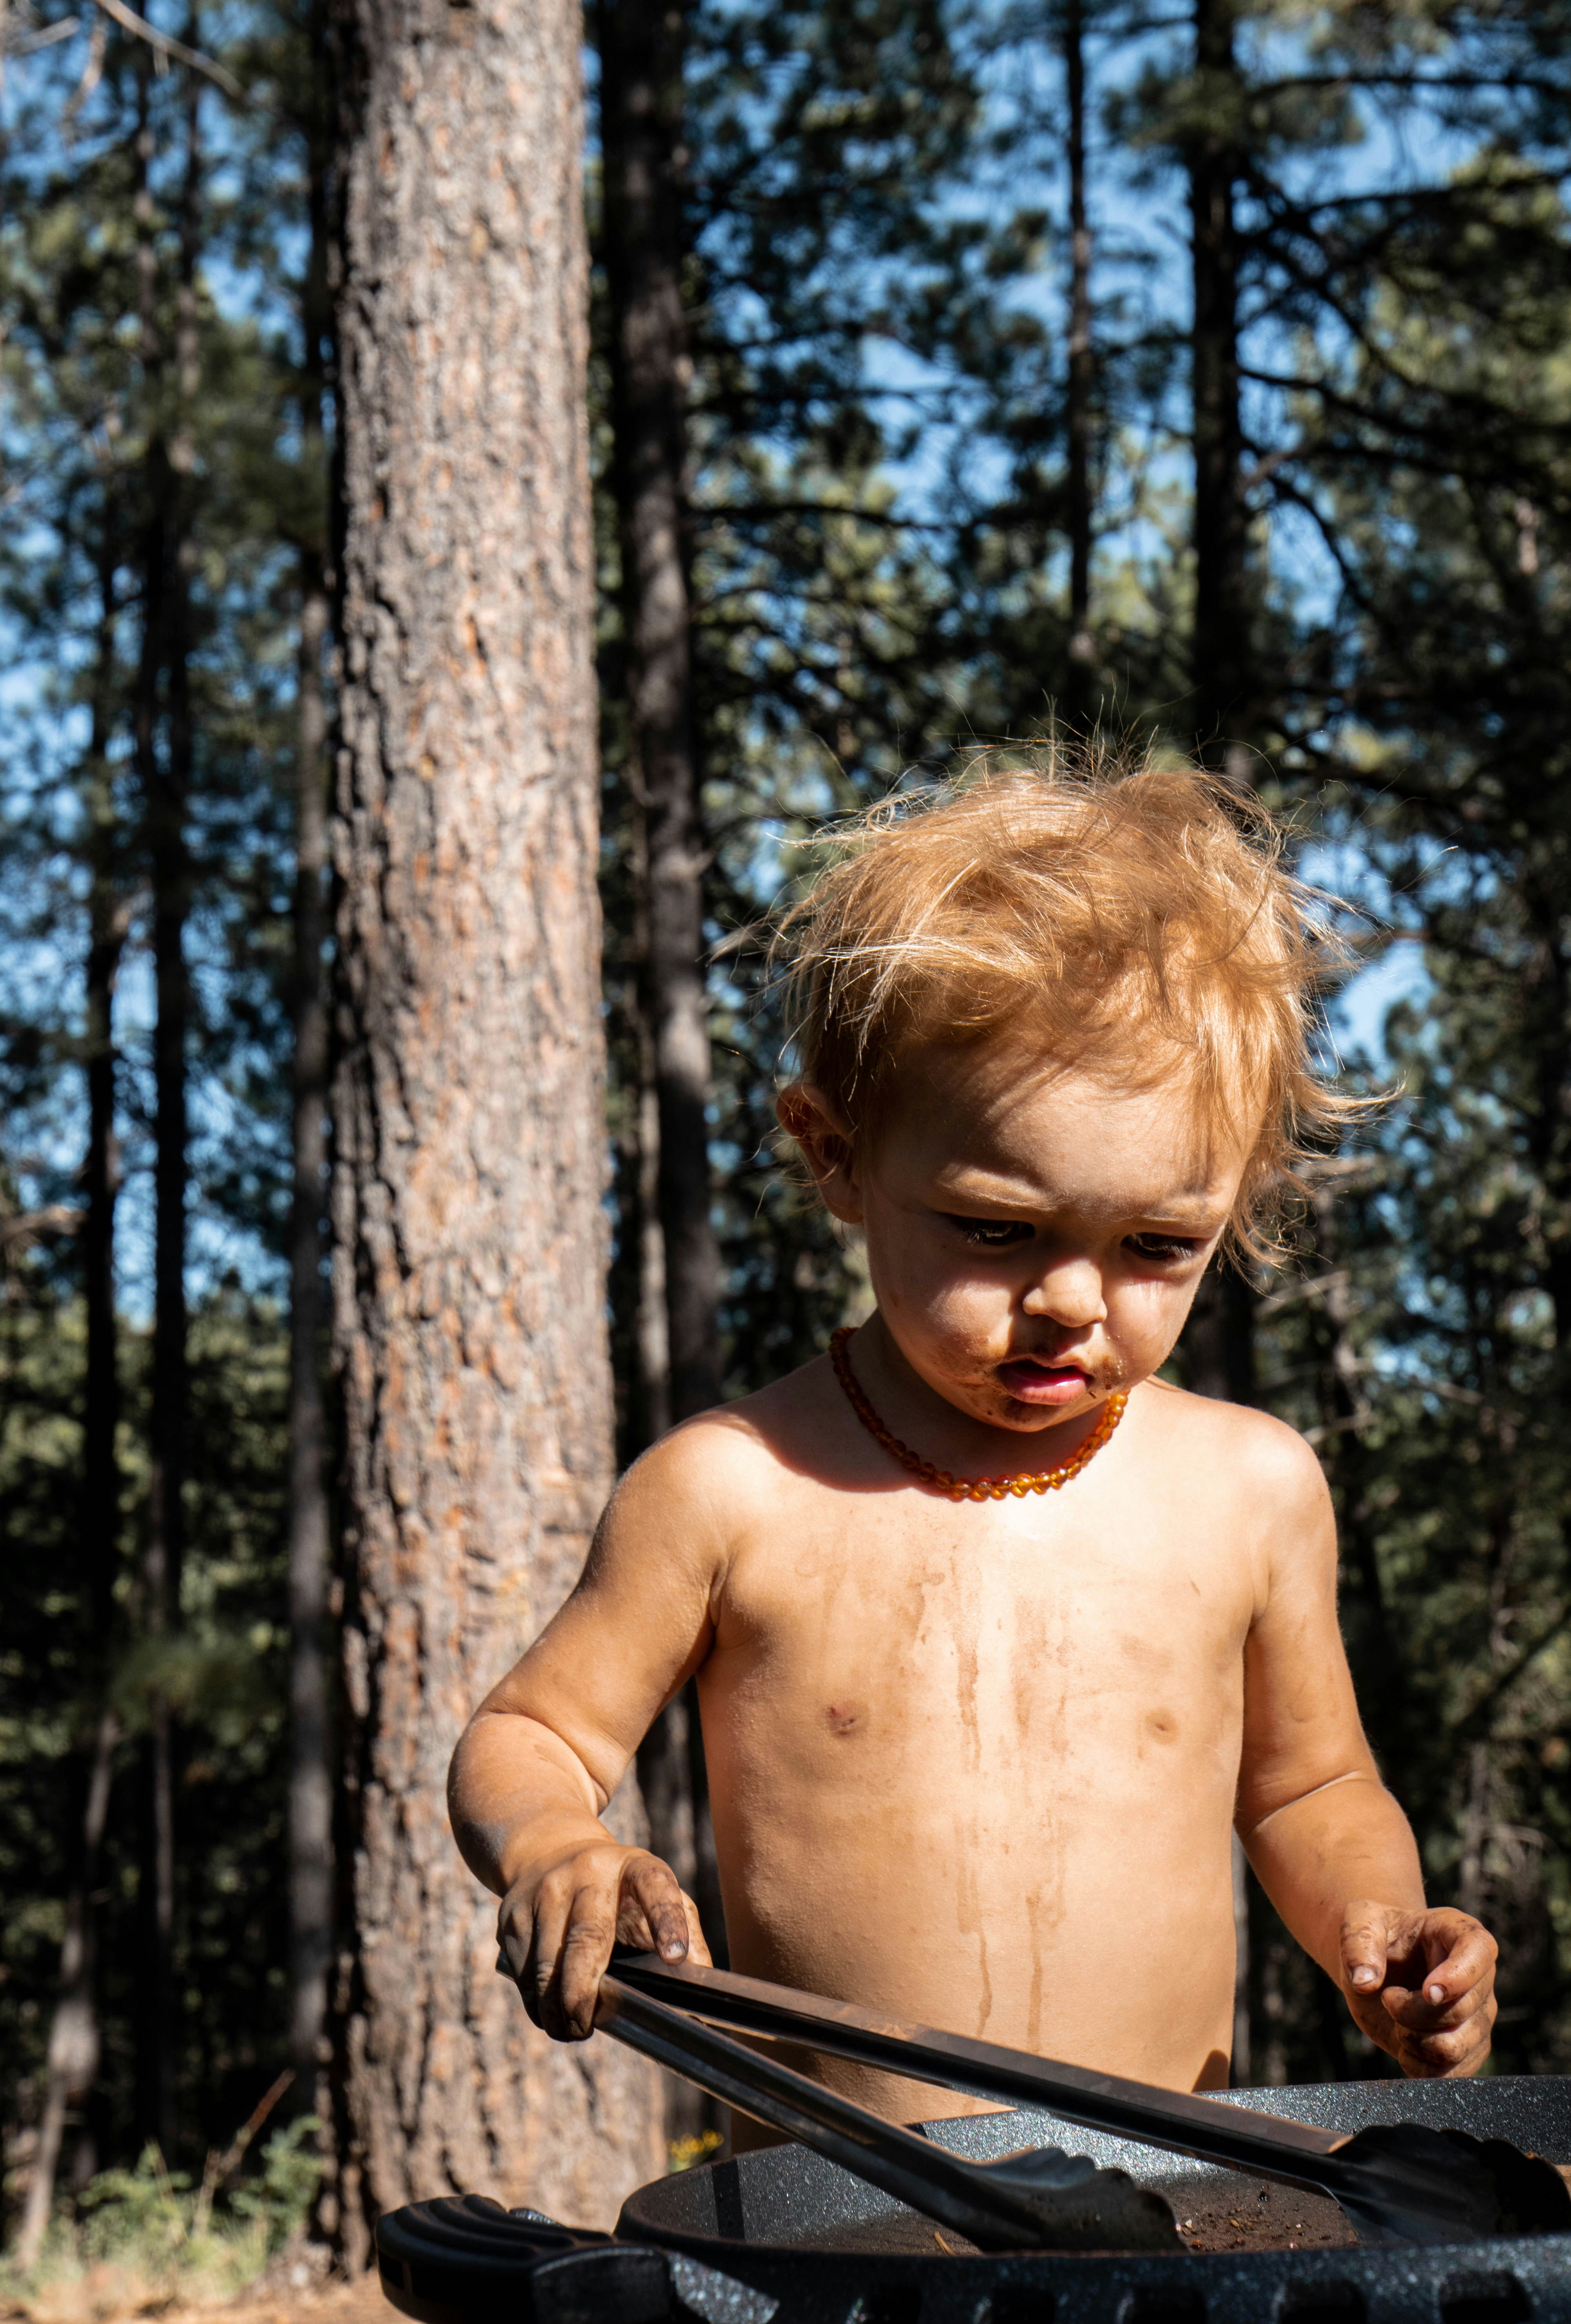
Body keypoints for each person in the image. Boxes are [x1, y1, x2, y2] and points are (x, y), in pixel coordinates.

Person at [447, 760, 1497, 2138]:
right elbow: (534, 1733)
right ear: (835, 1154)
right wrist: (558, 1843)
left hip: (1171, 2208)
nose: (1072, 1297)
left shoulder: (1248, 1490)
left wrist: (1383, 1927)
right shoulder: (734, 1488)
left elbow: (1313, 1786)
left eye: (1157, 1247)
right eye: (998, 1229)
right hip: (836, 2226)